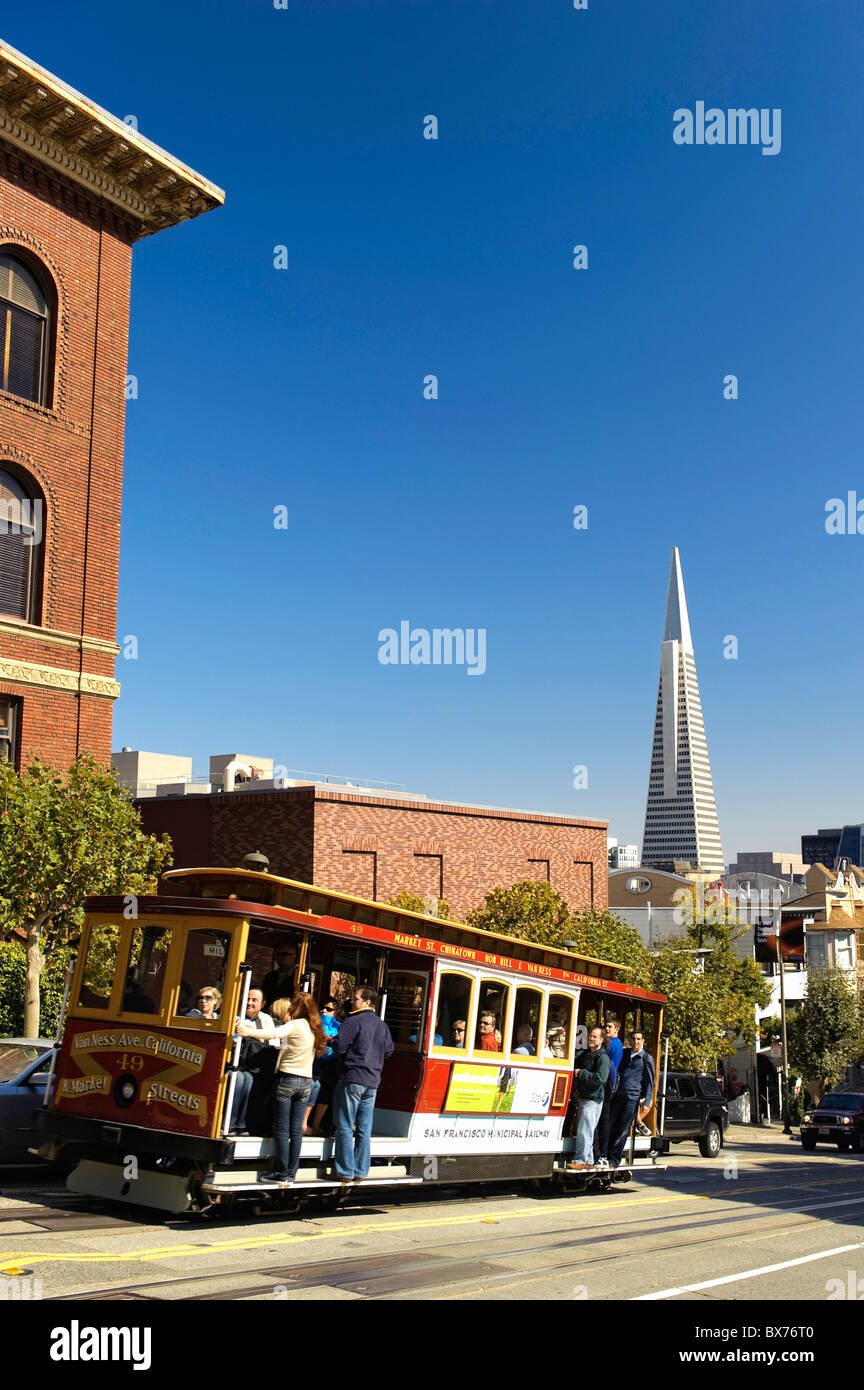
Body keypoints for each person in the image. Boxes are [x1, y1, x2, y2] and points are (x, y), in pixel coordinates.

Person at [238, 993, 327, 1186]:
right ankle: (291, 1173)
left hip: (287, 1079)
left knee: (282, 1129)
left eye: (293, 1005)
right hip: (305, 1083)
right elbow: (321, 1051)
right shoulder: (315, 1028)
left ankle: (280, 1172)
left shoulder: (296, 1024)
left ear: (300, 1008)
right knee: (296, 1132)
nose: (289, 1008)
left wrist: (247, 1031)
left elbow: (272, 1034)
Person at [332, 985, 394, 1184]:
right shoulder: (381, 1025)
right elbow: (389, 1050)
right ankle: (360, 1170)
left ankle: (345, 1170)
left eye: (355, 998)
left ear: (367, 1002)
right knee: (364, 1128)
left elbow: (341, 1047)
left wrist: (331, 1040)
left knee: (344, 1125)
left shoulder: (353, 1020)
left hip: (352, 1078)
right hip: (372, 1081)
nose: (352, 1001)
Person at [228, 988, 276, 1135]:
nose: (249, 1003)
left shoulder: (265, 1020)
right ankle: (229, 1123)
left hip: (253, 1067)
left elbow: (272, 1042)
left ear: (262, 1004)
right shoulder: (234, 1017)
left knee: (249, 1080)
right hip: (232, 1064)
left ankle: (241, 1124)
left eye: (254, 1000)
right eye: (247, 999)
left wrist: (251, 1032)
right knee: (237, 1078)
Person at [608, 1030, 655, 1169]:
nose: (636, 1042)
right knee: (611, 1125)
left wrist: (647, 1102)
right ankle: (605, 1156)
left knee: (623, 1130)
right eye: (634, 1039)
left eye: (638, 1039)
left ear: (643, 1041)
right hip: (618, 1095)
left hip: (632, 1097)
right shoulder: (625, 1054)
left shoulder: (646, 1058)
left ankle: (614, 1160)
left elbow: (650, 1082)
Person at [566, 1026, 610, 1171]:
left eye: (595, 1037)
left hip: (593, 1099)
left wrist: (582, 1073)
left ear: (602, 1040)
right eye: (590, 1036)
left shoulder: (603, 1057)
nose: (591, 1039)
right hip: (585, 1098)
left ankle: (581, 1159)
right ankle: (588, 1159)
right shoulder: (586, 1054)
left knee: (585, 1131)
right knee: (585, 1129)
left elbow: (601, 1078)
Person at [304, 999, 341, 1136]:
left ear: (335, 1012)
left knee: (328, 1087)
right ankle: (305, 1123)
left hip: (331, 1064)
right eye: (322, 1008)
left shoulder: (340, 1027)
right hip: (314, 1062)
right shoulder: (314, 1024)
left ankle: (317, 1124)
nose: (323, 1011)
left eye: (329, 1009)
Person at [593, 1018, 623, 1164]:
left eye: (610, 1027)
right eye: (606, 1027)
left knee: (603, 1119)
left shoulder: (614, 1044)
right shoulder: (611, 1043)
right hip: (607, 1082)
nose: (607, 1029)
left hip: (607, 1083)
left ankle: (602, 1155)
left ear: (617, 1029)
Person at [261, 942, 299, 1010]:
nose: (280, 957)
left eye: (285, 954)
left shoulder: (299, 978)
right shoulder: (270, 976)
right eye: (278, 954)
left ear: (296, 957)